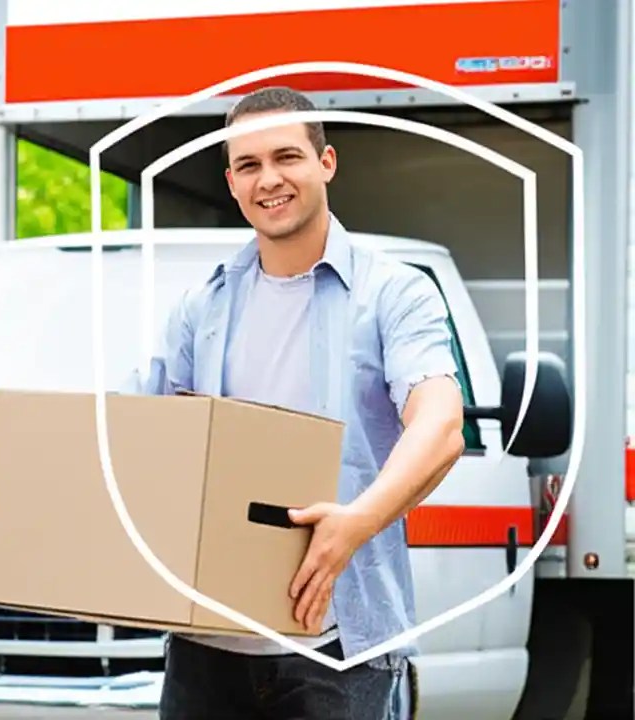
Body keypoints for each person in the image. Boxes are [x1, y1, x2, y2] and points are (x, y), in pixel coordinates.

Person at [139, 86, 467, 719]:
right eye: (249, 165)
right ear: (231, 182)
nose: (269, 180)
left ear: (327, 163)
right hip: (205, 643)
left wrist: (358, 521)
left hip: (337, 646)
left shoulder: (394, 293)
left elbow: (440, 423)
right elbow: (151, 440)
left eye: (287, 157)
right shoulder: (201, 306)